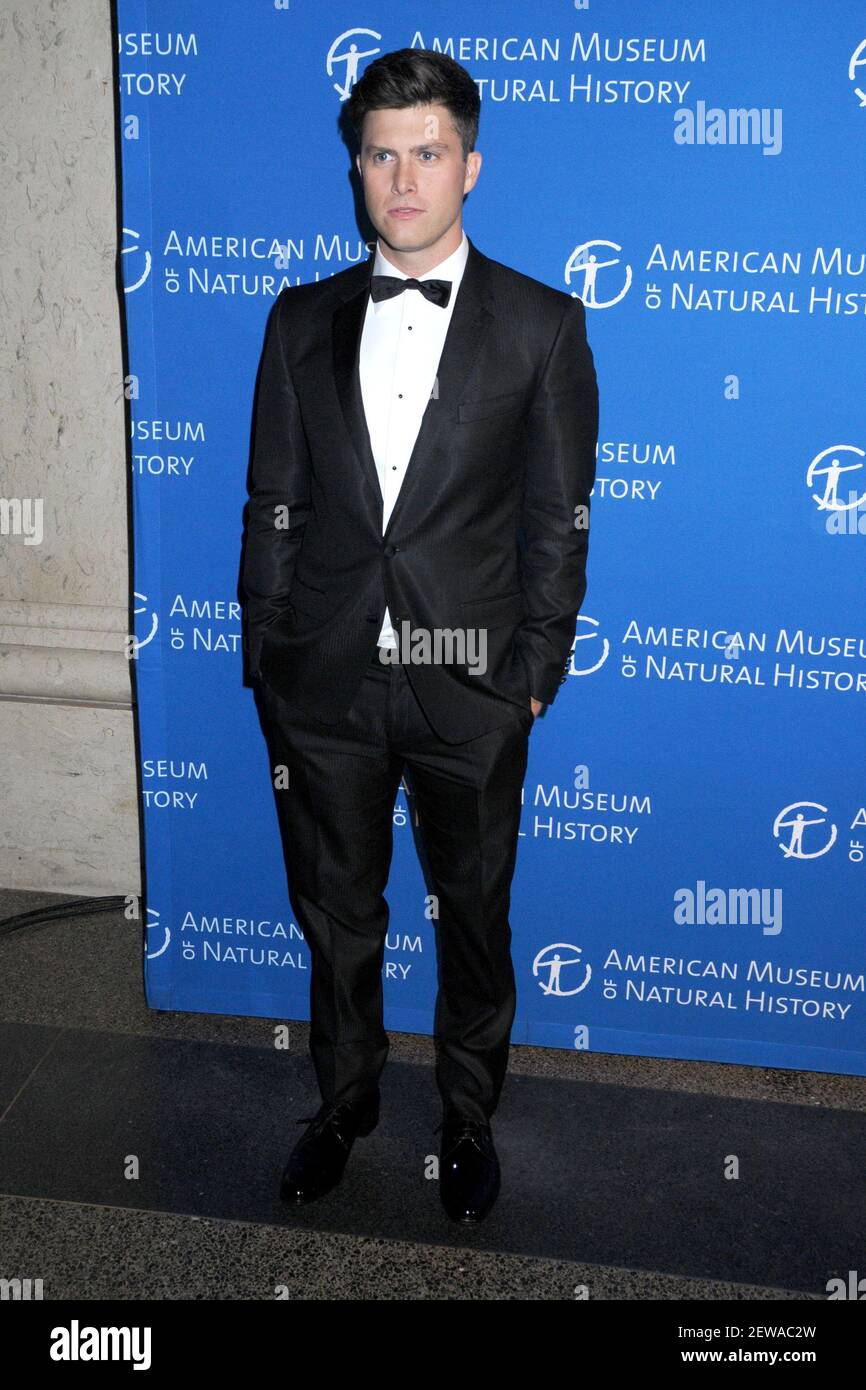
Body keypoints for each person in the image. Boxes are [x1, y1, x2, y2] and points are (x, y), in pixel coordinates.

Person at [242, 47, 599, 1223]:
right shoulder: (298, 320)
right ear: (357, 168)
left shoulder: (542, 325)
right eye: (382, 155)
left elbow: (556, 518)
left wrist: (532, 674)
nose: (403, 178)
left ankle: (465, 1112)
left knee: (474, 909)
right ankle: (342, 1103)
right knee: (336, 913)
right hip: (327, 684)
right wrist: (269, 658)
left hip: (468, 684)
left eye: (427, 153)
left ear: (469, 166)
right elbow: (271, 499)